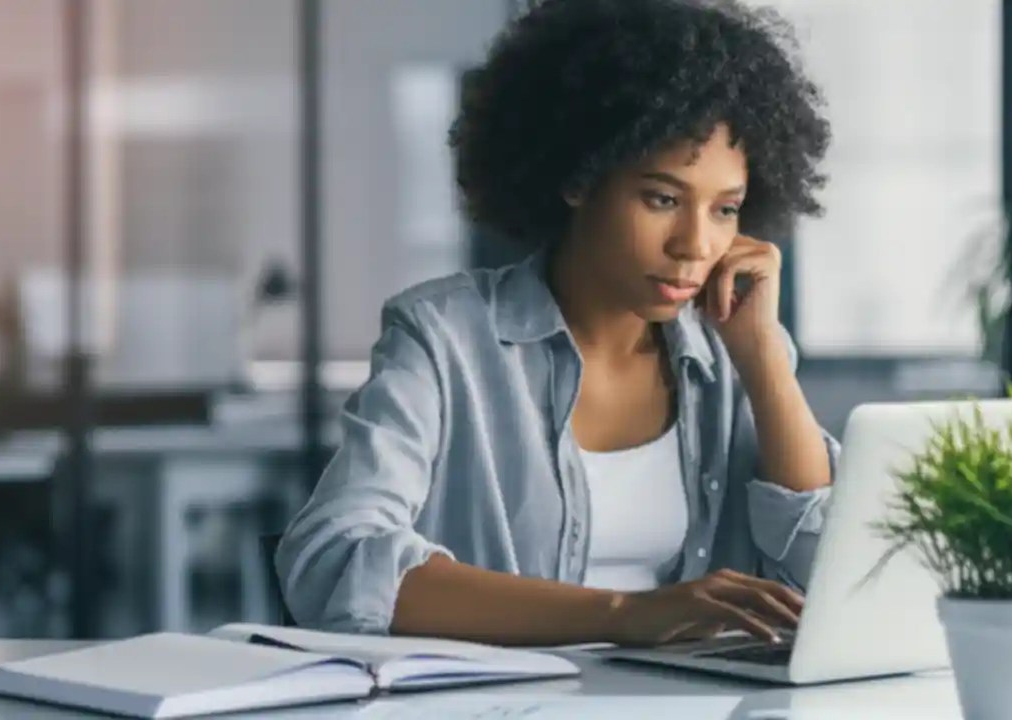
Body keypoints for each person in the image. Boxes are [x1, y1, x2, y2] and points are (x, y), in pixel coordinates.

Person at [276, 0, 838, 648]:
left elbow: (831, 574)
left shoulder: (734, 352)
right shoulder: (444, 339)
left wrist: (763, 356)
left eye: (725, 209)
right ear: (578, 177)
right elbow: (337, 559)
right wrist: (625, 614)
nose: (695, 244)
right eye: (662, 199)